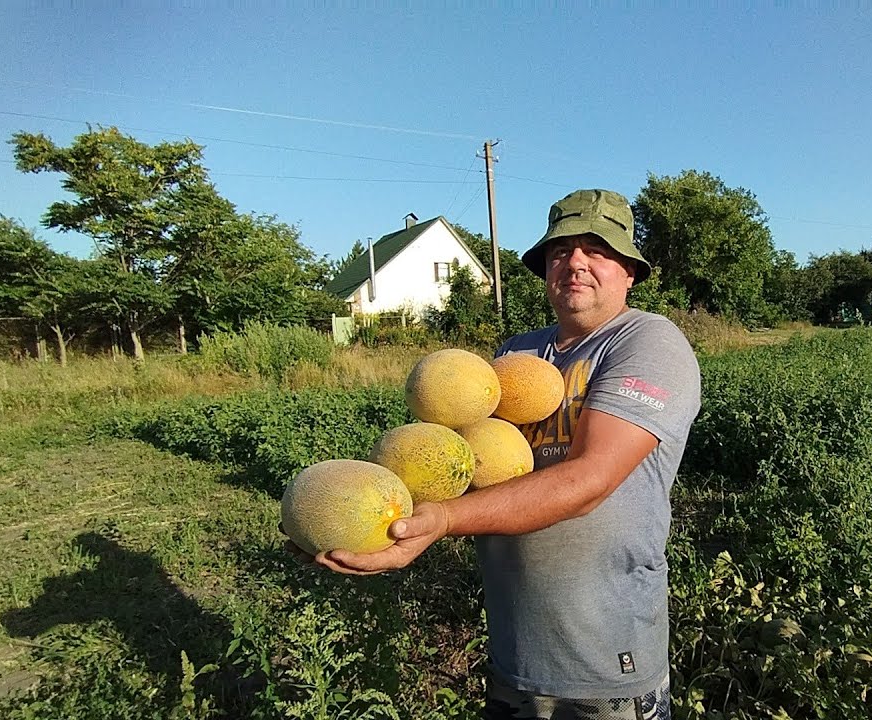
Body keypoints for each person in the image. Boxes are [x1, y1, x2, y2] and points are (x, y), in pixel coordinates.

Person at [286, 188, 702, 720]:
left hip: (606, 659)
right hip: (513, 651)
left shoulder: (649, 342)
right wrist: (378, 522)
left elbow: (589, 480)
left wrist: (444, 520)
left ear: (630, 272)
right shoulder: (514, 355)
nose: (574, 262)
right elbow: (461, 464)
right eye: (560, 251)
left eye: (596, 249)